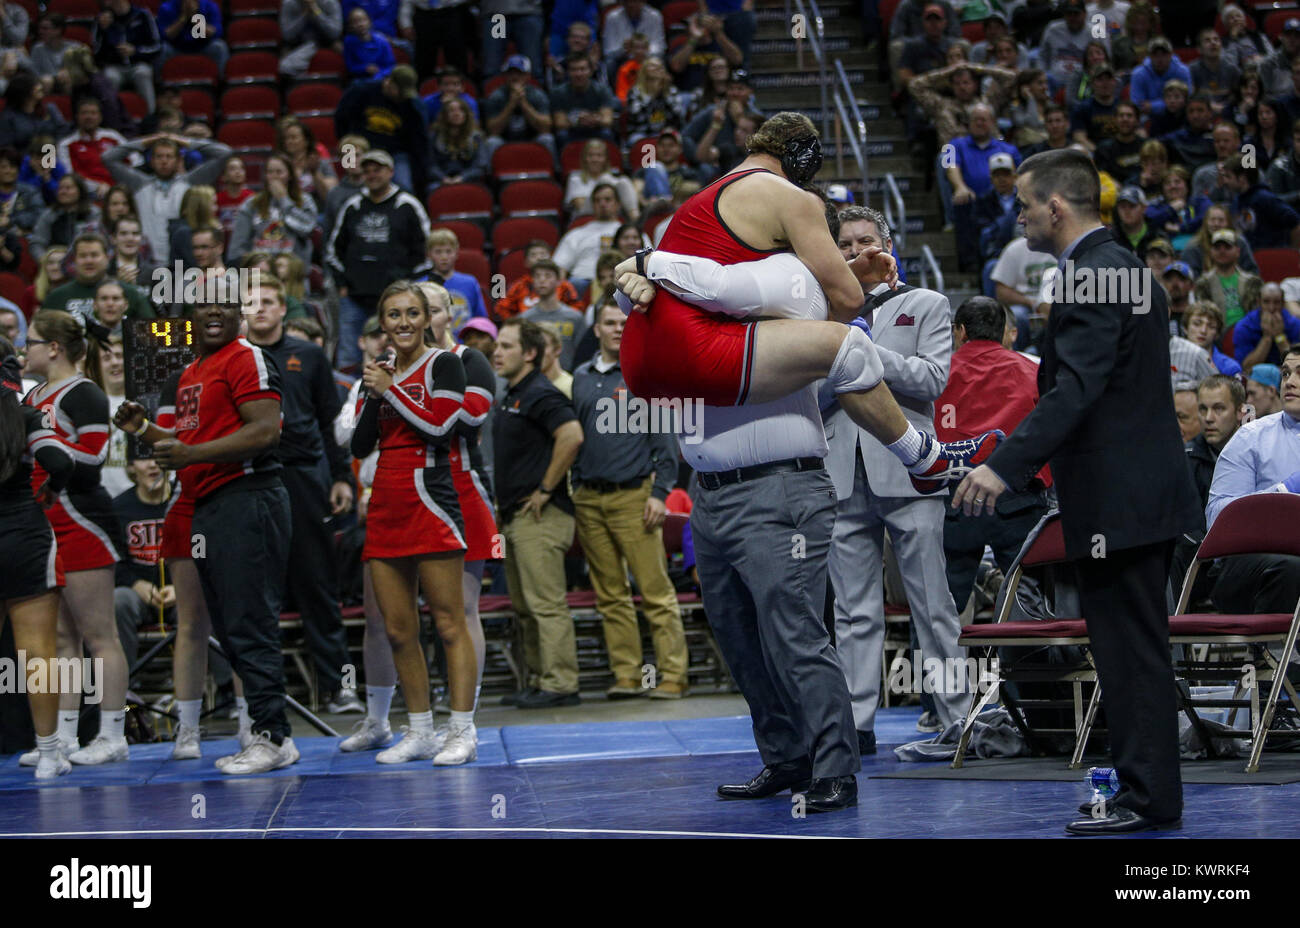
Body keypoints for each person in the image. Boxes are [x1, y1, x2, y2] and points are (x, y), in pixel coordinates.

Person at [953, 147, 1202, 835]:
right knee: (1131, 649)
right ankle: (1148, 795)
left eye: (1027, 205)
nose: (1022, 216)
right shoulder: (1122, 268)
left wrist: (1003, 464)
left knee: (1128, 652)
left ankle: (1146, 798)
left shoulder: (1094, 276)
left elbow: (1076, 390)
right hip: (1134, 493)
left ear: (1055, 207)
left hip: (1120, 499)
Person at [616, 112, 998, 492]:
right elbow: (848, 301)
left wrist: (644, 263)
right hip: (694, 350)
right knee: (847, 346)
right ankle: (926, 459)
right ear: (803, 156)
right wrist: (646, 261)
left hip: (641, 361)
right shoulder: (792, 199)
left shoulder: (702, 200)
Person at [114, 297, 297, 775]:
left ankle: (270, 735)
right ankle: (270, 732)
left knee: (250, 621)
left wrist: (193, 458)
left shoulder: (246, 357)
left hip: (248, 497)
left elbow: (264, 433)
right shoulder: (194, 369)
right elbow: (187, 446)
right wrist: (146, 430)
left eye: (223, 305)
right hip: (211, 505)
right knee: (233, 627)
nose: (212, 313)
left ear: (238, 313)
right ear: (186, 321)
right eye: (201, 307)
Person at [822, 205, 967, 750]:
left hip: (911, 470)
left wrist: (861, 346)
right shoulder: (819, 313)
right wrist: (840, 335)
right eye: (845, 245)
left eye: (866, 241)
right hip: (841, 468)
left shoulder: (925, 304)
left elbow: (931, 380)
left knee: (933, 604)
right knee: (853, 609)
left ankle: (957, 717)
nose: (856, 251)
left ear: (888, 244)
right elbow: (810, 393)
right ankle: (856, 725)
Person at [349, 280, 479, 762]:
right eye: (393, 315)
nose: (403, 323)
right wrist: (374, 392)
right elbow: (360, 445)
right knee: (398, 628)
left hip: (430, 494)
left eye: (411, 314)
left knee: (448, 622)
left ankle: (462, 730)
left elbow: (442, 428)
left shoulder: (445, 363)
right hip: (385, 499)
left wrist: (392, 389)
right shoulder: (381, 371)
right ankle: (420, 729)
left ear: (427, 319)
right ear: (382, 324)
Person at [243, 276, 362, 716]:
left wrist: (340, 479)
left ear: (283, 309)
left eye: (268, 301)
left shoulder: (309, 356)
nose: (260, 309)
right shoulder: (232, 359)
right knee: (255, 592)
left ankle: (340, 686)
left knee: (318, 586)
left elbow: (332, 422)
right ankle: (258, 697)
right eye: (251, 302)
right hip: (249, 482)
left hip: (304, 481)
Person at [20, 310, 132, 767]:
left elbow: (94, 458)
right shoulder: (35, 396)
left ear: (54, 348)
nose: (22, 349)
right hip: (48, 523)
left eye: (30, 341)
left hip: (82, 519)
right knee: (63, 636)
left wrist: (44, 443)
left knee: (99, 633)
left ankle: (113, 734)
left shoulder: (83, 393)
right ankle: (64, 735)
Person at [570, 301, 687, 699]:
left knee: (655, 592)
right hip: (588, 497)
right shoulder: (579, 379)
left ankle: (672, 676)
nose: (618, 328)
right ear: (597, 329)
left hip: (635, 496)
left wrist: (660, 492)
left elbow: (665, 440)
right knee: (611, 595)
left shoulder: (642, 374)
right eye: (609, 323)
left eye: (624, 322)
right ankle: (627, 675)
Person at [491, 317, 584, 709]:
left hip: (541, 517)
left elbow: (572, 435)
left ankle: (561, 683)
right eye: (497, 345)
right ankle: (539, 679)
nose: (497, 352)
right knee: (525, 605)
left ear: (530, 353)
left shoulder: (540, 393)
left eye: (507, 346)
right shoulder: (514, 394)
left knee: (545, 603)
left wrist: (546, 489)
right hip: (515, 514)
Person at [938, 296, 1051, 617]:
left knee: (941, 610)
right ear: (1004, 331)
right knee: (1029, 601)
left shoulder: (936, 375)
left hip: (954, 501)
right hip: (1018, 498)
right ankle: (1034, 667)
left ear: (959, 332)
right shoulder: (1034, 371)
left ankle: (929, 669)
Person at [0, 338, 76, 780]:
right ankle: (48, 754)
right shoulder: (27, 416)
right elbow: (59, 460)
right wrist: (52, 490)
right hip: (23, 536)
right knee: (39, 653)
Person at [1204, 345, 1300, 633]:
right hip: (1250, 566)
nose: (1290, 381)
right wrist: (1283, 492)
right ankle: (1278, 662)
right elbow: (1218, 520)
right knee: (1291, 566)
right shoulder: (1251, 438)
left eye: (1299, 373)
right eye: (1286, 373)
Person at [326, 149, 433, 371]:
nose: (372, 175)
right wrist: (342, 283)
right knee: (349, 359)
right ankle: (350, 398)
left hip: (396, 300)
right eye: (367, 171)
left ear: (391, 172)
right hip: (354, 297)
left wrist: (407, 285)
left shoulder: (407, 205)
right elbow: (333, 250)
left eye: (378, 170)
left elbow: (426, 251)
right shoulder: (353, 205)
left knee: (399, 357)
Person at [101, 132, 234, 265]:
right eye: (159, 156)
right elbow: (108, 158)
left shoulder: (191, 182)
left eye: (169, 156)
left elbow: (224, 153)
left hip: (183, 261)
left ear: (178, 160)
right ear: (151, 161)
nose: (164, 161)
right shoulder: (138, 184)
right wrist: (146, 141)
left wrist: (184, 141)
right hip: (147, 261)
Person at [225, 152, 316, 268]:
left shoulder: (304, 201)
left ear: (290, 176)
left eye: (279, 172)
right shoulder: (252, 204)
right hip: (260, 271)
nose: (274, 177)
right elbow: (237, 248)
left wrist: (284, 200)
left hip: (294, 271)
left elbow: (307, 229)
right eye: (270, 172)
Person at [1221, 152, 1300, 249]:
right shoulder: (1236, 201)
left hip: (1270, 257)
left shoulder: (1264, 198)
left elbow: (1295, 223)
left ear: (1242, 178)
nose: (1225, 181)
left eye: (1228, 177)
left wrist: (1292, 253)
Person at [1236, 282, 1299, 373]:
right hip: (1256, 378)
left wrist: (1279, 335)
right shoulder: (1244, 326)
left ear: (1283, 303)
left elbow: (1296, 365)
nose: (1271, 308)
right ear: (1259, 302)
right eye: (1266, 302)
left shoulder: (1295, 324)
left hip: (1287, 375)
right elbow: (1246, 368)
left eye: (1276, 302)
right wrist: (1267, 337)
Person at [279, 0, 343, 79]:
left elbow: (335, 33)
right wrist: (305, 15)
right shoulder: (289, 4)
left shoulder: (330, 2)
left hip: (326, 43)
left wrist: (316, 11)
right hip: (298, 46)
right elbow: (287, 35)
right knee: (285, 66)